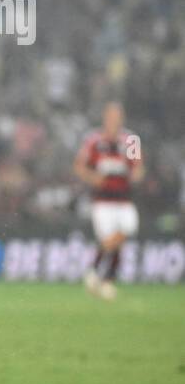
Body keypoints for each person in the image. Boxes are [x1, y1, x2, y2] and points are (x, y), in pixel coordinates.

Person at [74, 102, 143, 300]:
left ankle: (93, 271)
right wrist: (92, 177)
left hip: (124, 199)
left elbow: (137, 167)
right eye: (111, 116)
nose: (114, 120)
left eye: (117, 116)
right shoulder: (93, 140)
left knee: (126, 230)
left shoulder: (130, 140)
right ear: (105, 118)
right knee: (110, 240)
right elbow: (79, 166)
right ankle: (107, 281)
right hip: (102, 200)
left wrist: (135, 175)